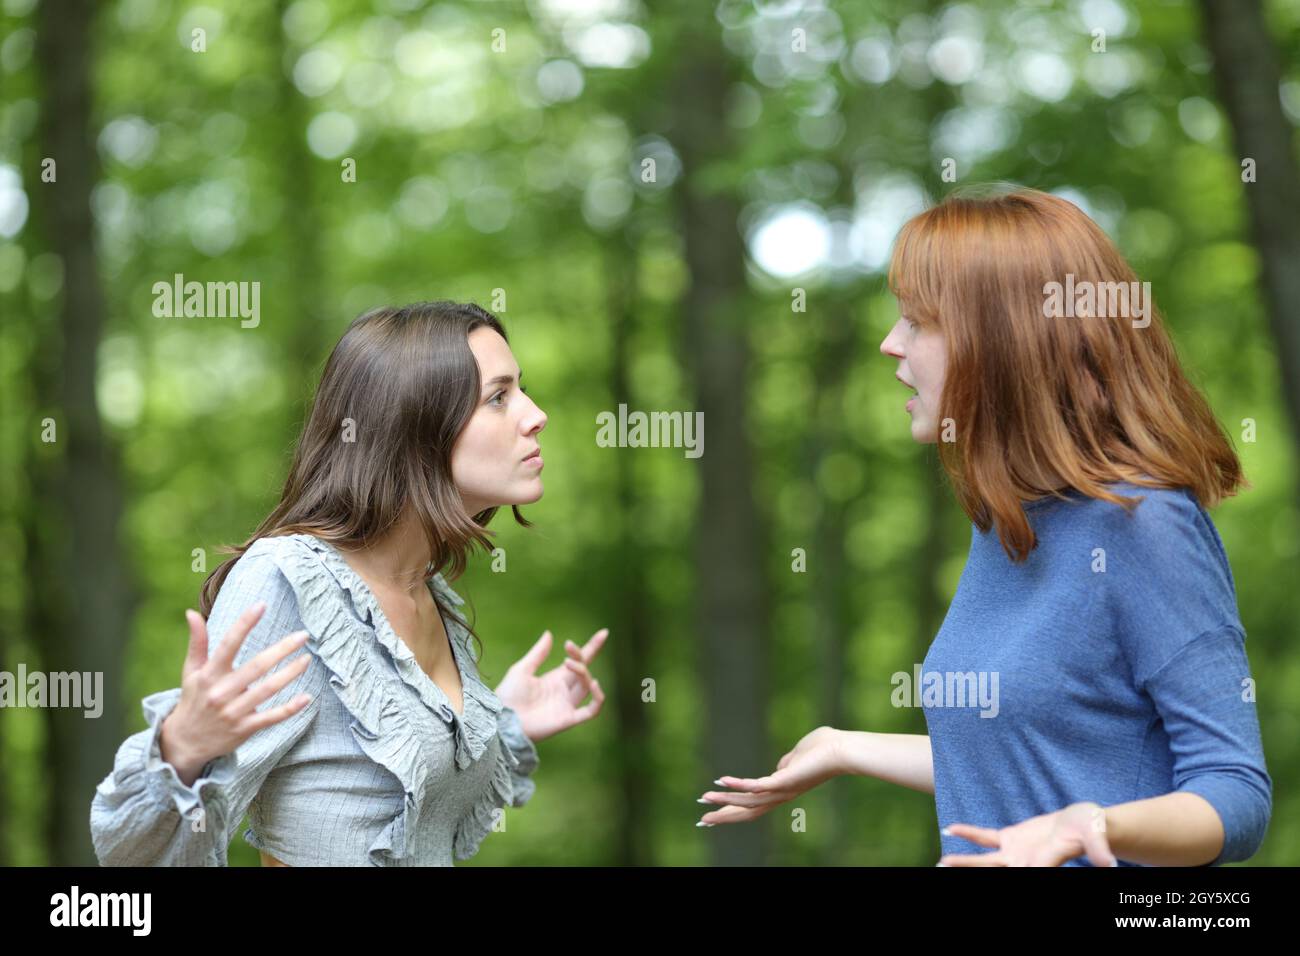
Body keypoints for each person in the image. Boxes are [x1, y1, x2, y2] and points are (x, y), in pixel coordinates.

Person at [698, 186, 1272, 867]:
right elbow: (1023, 753)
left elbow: (1235, 793)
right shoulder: (1009, 523)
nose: (890, 344)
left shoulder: (1144, 524)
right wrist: (846, 746)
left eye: (918, 322)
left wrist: (1093, 826)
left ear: (1006, 341)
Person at [91, 301, 607, 866]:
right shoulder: (288, 580)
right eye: (498, 397)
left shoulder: (428, 593)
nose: (536, 415)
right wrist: (181, 748)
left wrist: (504, 724)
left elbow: (390, 802)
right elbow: (134, 856)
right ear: (414, 427)